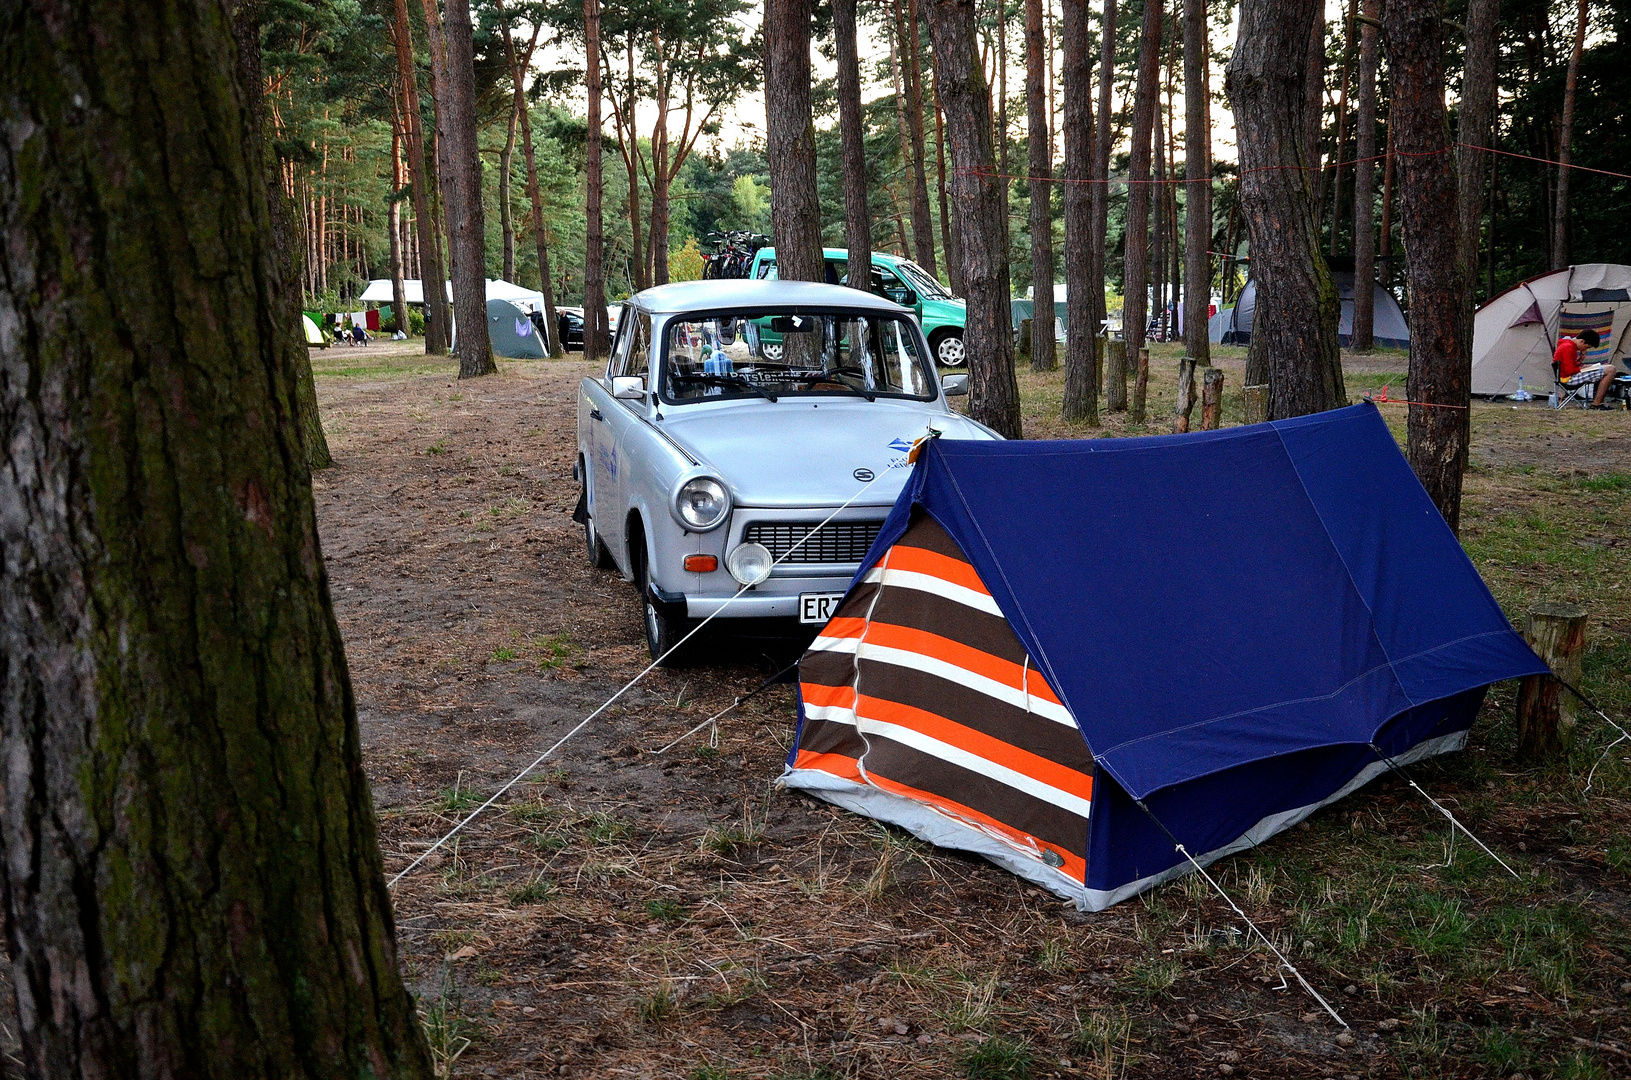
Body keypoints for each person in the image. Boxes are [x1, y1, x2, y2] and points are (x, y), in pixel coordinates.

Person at [1554, 328, 1616, 408]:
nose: (1585, 349)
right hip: (1569, 379)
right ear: (1582, 341)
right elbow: (1569, 371)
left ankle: (1598, 402)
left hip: (1567, 376)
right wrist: (1582, 369)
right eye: (1587, 347)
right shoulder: (1568, 348)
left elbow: (1569, 365)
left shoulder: (1567, 345)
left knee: (1606, 367)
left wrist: (1581, 362)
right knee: (1611, 370)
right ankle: (1596, 404)